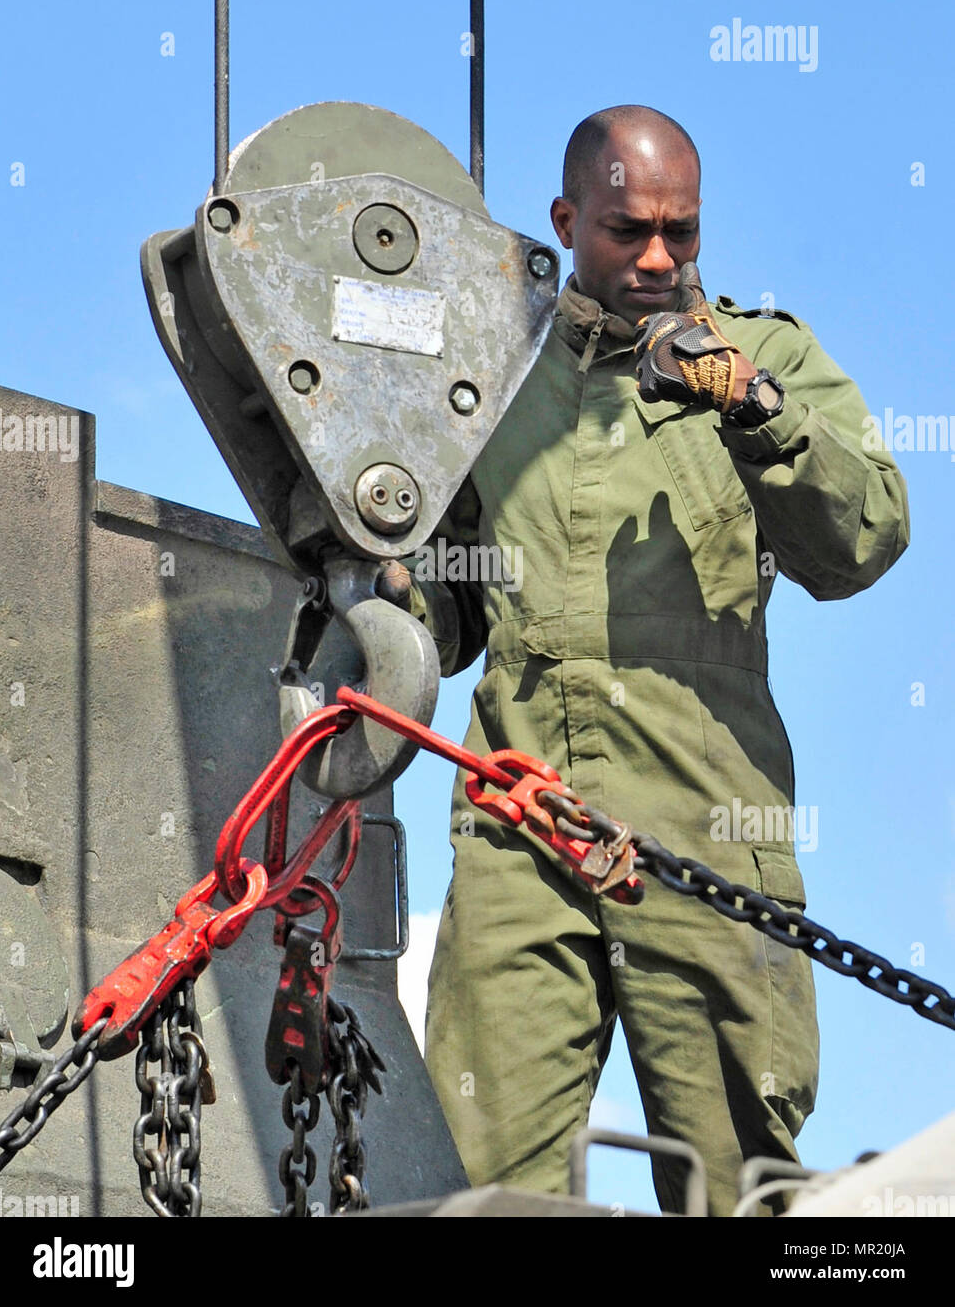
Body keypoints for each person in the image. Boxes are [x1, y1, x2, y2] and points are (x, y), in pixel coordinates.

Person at [381, 104, 909, 1216]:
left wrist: (753, 408)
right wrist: (382, 589)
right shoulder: (496, 374)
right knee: (481, 1177)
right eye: (628, 231)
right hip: (519, 827)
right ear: (566, 220)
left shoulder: (764, 357)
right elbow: (451, 609)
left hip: (705, 826)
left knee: (737, 1182)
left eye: (683, 230)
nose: (660, 258)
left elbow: (865, 537)